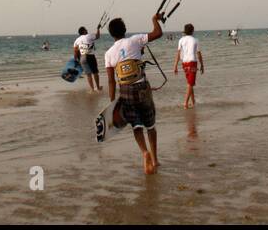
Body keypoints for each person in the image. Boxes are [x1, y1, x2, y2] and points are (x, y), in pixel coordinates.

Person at [103, 14, 162, 174]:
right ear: (125, 30)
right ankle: (155, 160)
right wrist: (154, 20)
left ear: (111, 34)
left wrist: (113, 103)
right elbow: (157, 33)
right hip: (142, 87)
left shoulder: (108, 54)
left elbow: (111, 81)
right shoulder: (135, 40)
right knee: (150, 125)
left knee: (136, 125)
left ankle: (144, 152)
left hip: (126, 91)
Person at [173, 23, 204, 109]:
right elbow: (199, 54)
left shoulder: (181, 40)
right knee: (190, 84)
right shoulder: (195, 40)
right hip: (192, 62)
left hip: (184, 63)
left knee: (190, 83)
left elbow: (178, 54)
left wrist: (175, 66)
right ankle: (185, 103)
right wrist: (202, 65)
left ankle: (193, 102)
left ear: (185, 31)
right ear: (192, 31)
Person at [73, 25, 103, 91]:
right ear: (83, 31)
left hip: (82, 58)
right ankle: (98, 88)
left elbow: (75, 51)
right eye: (86, 30)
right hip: (90, 56)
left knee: (88, 74)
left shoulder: (77, 40)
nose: (87, 30)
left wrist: (76, 60)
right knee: (95, 72)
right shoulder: (88, 36)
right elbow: (97, 36)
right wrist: (98, 29)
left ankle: (92, 89)